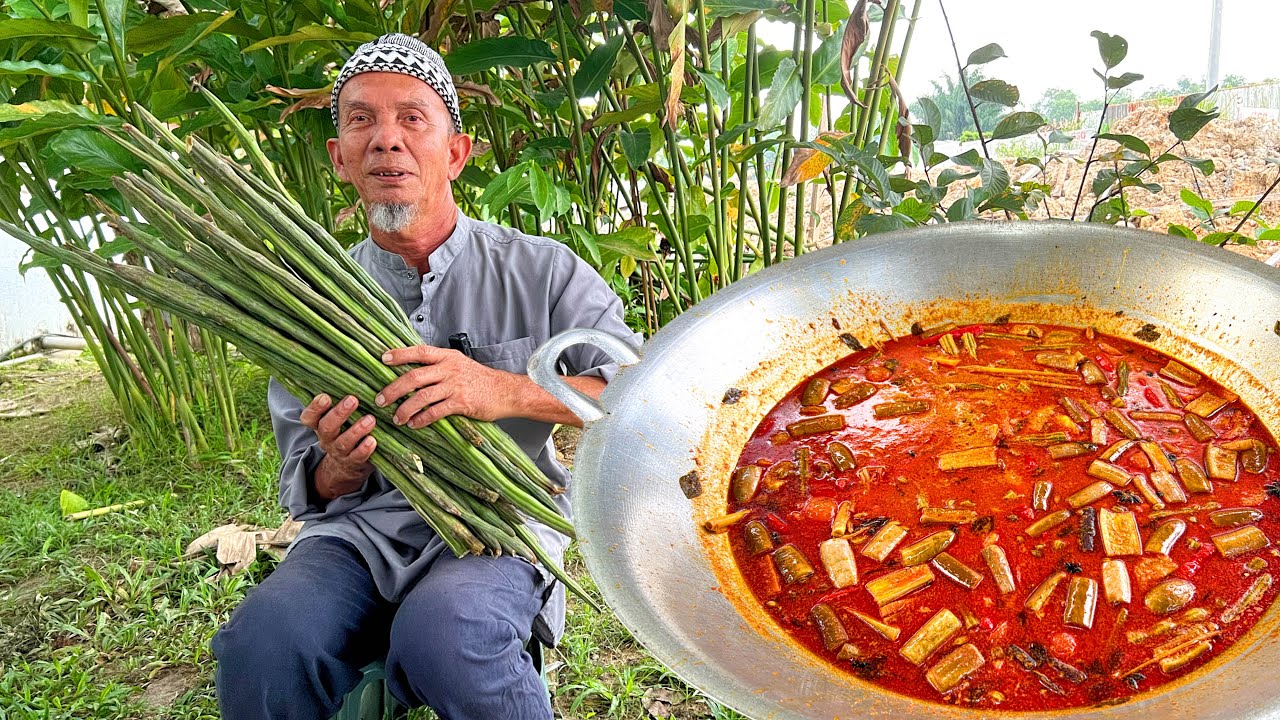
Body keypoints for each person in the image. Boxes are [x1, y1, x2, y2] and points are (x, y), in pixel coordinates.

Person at [211, 33, 642, 720]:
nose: (387, 140)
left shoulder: (543, 270)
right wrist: (340, 465)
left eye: (413, 117)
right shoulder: (302, 302)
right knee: (264, 644)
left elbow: (638, 393)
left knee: (450, 635)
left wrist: (507, 390)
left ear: (456, 152)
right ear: (339, 159)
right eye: (361, 120)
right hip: (357, 534)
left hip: (495, 522)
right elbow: (310, 485)